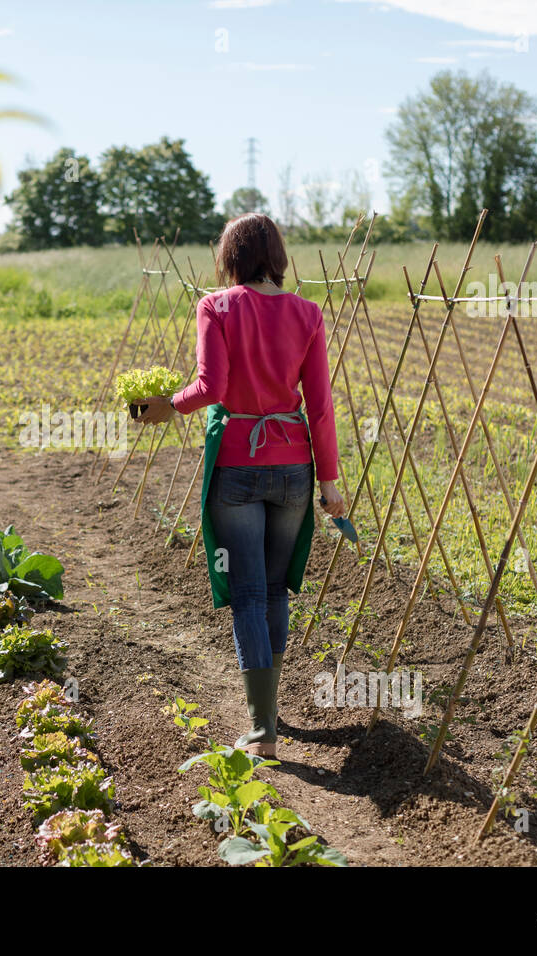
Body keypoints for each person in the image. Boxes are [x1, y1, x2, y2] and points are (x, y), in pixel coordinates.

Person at [136, 213, 346, 759]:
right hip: (294, 466)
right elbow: (320, 407)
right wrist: (330, 482)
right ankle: (269, 712)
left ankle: (262, 729)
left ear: (230, 257)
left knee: (249, 593)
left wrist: (168, 407)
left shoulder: (217, 306)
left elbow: (212, 386)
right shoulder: (307, 312)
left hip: (237, 465)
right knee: (275, 590)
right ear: (277, 256)